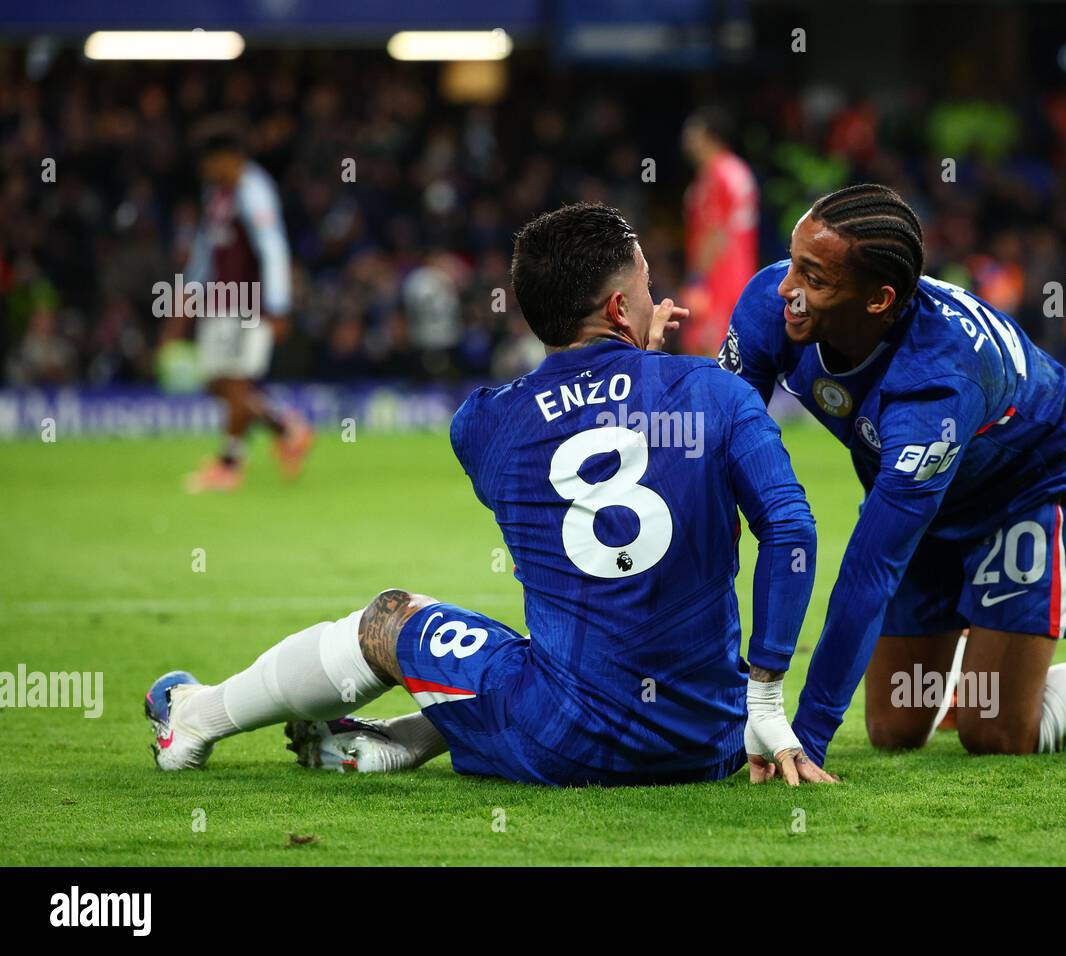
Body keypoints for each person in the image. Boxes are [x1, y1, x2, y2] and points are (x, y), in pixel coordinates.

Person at [146, 203, 833, 787]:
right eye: (647, 285)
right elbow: (790, 531)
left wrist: (634, 371)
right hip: (706, 744)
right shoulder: (715, 394)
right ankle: (409, 737)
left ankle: (196, 720)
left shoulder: (485, 424)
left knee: (392, 614)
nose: (656, 298)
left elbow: (593, 435)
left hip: (563, 741)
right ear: (623, 307)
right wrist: (766, 704)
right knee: (608, 615)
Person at [717, 183, 1066, 764]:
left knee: (998, 735)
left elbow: (869, 570)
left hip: (1025, 482)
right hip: (924, 481)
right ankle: (980, 669)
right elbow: (725, 450)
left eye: (814, 278)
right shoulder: (768, 304)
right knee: (894, 728)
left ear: (879, 300)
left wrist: (808, 741)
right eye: (792, 263)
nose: (787, 291)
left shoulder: (934, 384)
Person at [180, 119, 313, 493]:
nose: (206, 169)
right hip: (222, 301)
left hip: (249, 303)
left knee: (236, 382)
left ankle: (229, 464)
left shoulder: (254, 190)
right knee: (216, 382)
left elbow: (272, 248)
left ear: (229, 158)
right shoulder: (217, 193)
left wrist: (277, 305)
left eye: (211, 161)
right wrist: (191, 289)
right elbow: (208, 248)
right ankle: (289, 429)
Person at [680, 107, 758, 357]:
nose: (686, 139)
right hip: (740, 276)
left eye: (692, 132)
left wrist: (697, 281)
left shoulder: (715, 175)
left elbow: (714, 234)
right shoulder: (737, 169)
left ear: (709, 135)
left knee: (703, 354)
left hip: (717, 280)